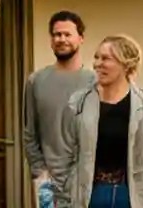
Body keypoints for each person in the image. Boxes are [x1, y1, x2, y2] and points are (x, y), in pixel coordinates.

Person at [58, 35, 143, 208]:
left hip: (131, 198)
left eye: (106, 58)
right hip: (89, 197)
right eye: (96, 57)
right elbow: (63, 161)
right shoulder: (77, 104)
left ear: (125, 64)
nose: (98, 64)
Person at [23, 11, 95, 207]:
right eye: (56, 34)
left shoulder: (95, 83)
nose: (61, 39)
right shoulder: (35, 81)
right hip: (48, 186)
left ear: (80, 38)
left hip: (86, 184)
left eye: (67, 34)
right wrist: (40, 172)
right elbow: (29, 132)